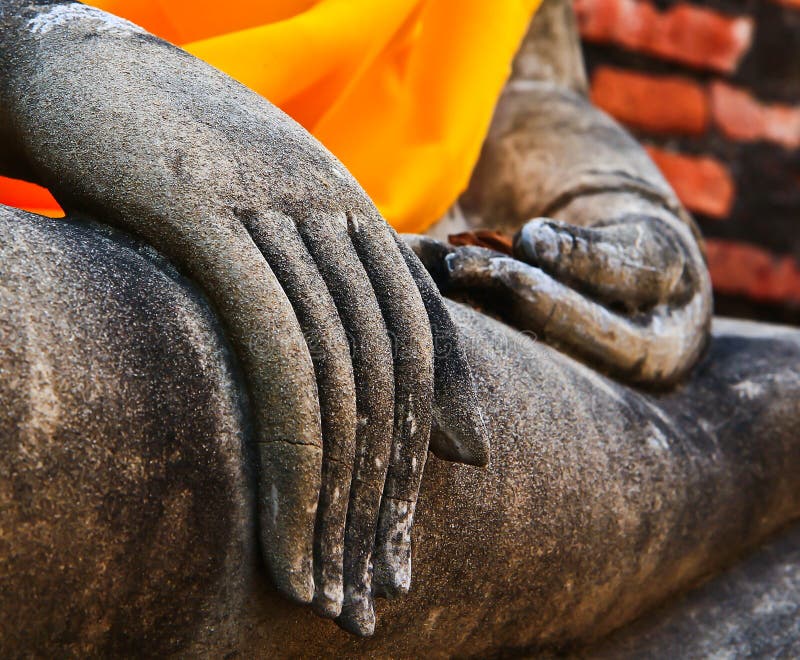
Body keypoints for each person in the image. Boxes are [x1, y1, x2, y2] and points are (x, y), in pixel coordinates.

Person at [1, 1, 797, 654]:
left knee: (778, 399)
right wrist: (48, 54)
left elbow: (508, 82)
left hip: (381, 267)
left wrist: (613, 200)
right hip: (55, 230)